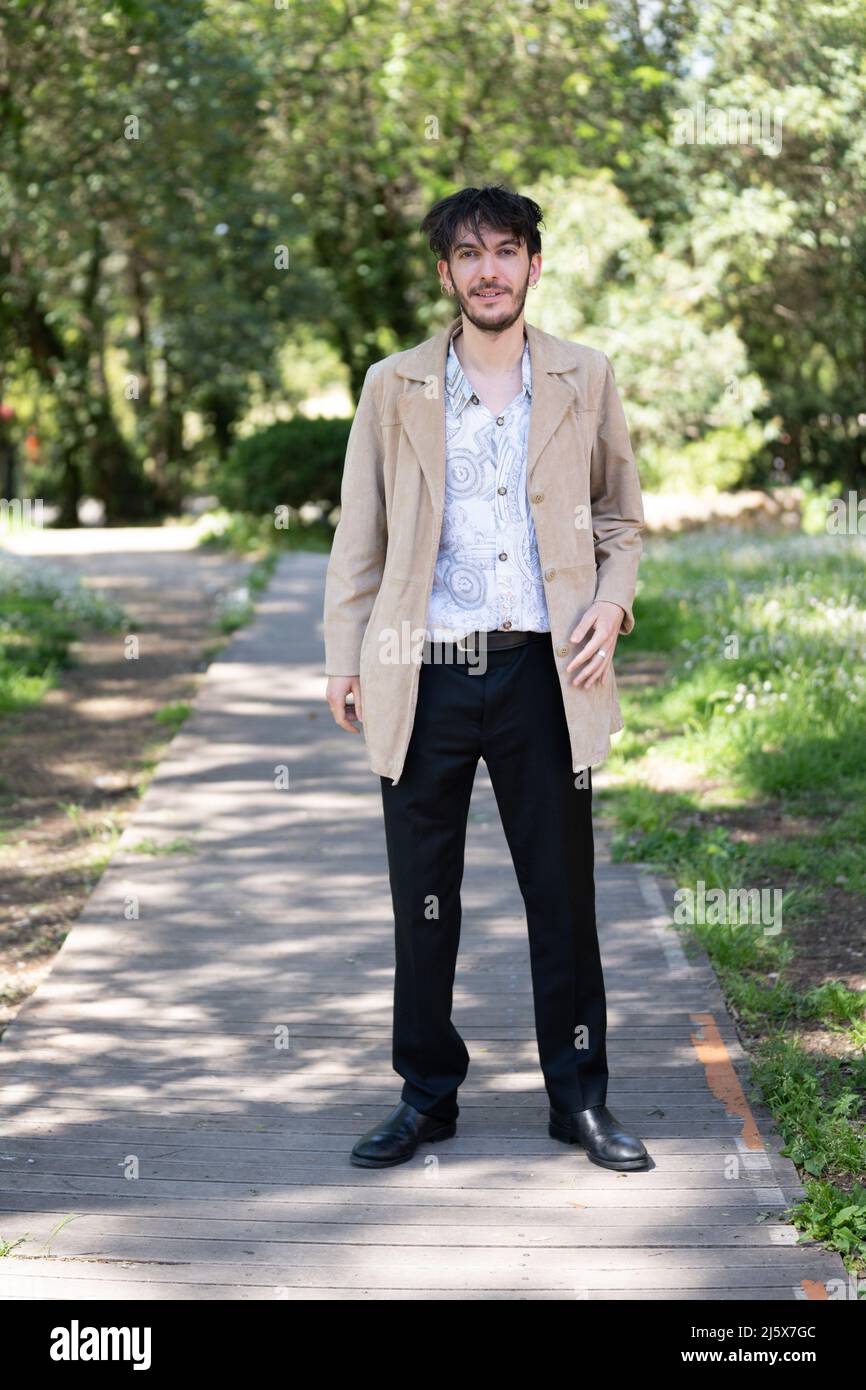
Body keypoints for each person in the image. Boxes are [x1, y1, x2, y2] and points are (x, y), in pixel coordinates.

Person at [323, 184, 648, 1172]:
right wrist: (343, 656)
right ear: (446, 275)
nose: (488, 269)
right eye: (468, 254)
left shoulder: (582, 377)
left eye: (505, 251)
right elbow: (359, 533)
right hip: (420, 673)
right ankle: (426, 1096)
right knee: (421, 900)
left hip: (540, 672)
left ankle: (578, 1101)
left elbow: (619, 522)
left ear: (533, 265)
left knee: (562, 897)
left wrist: (609, 601)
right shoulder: (394, 385)